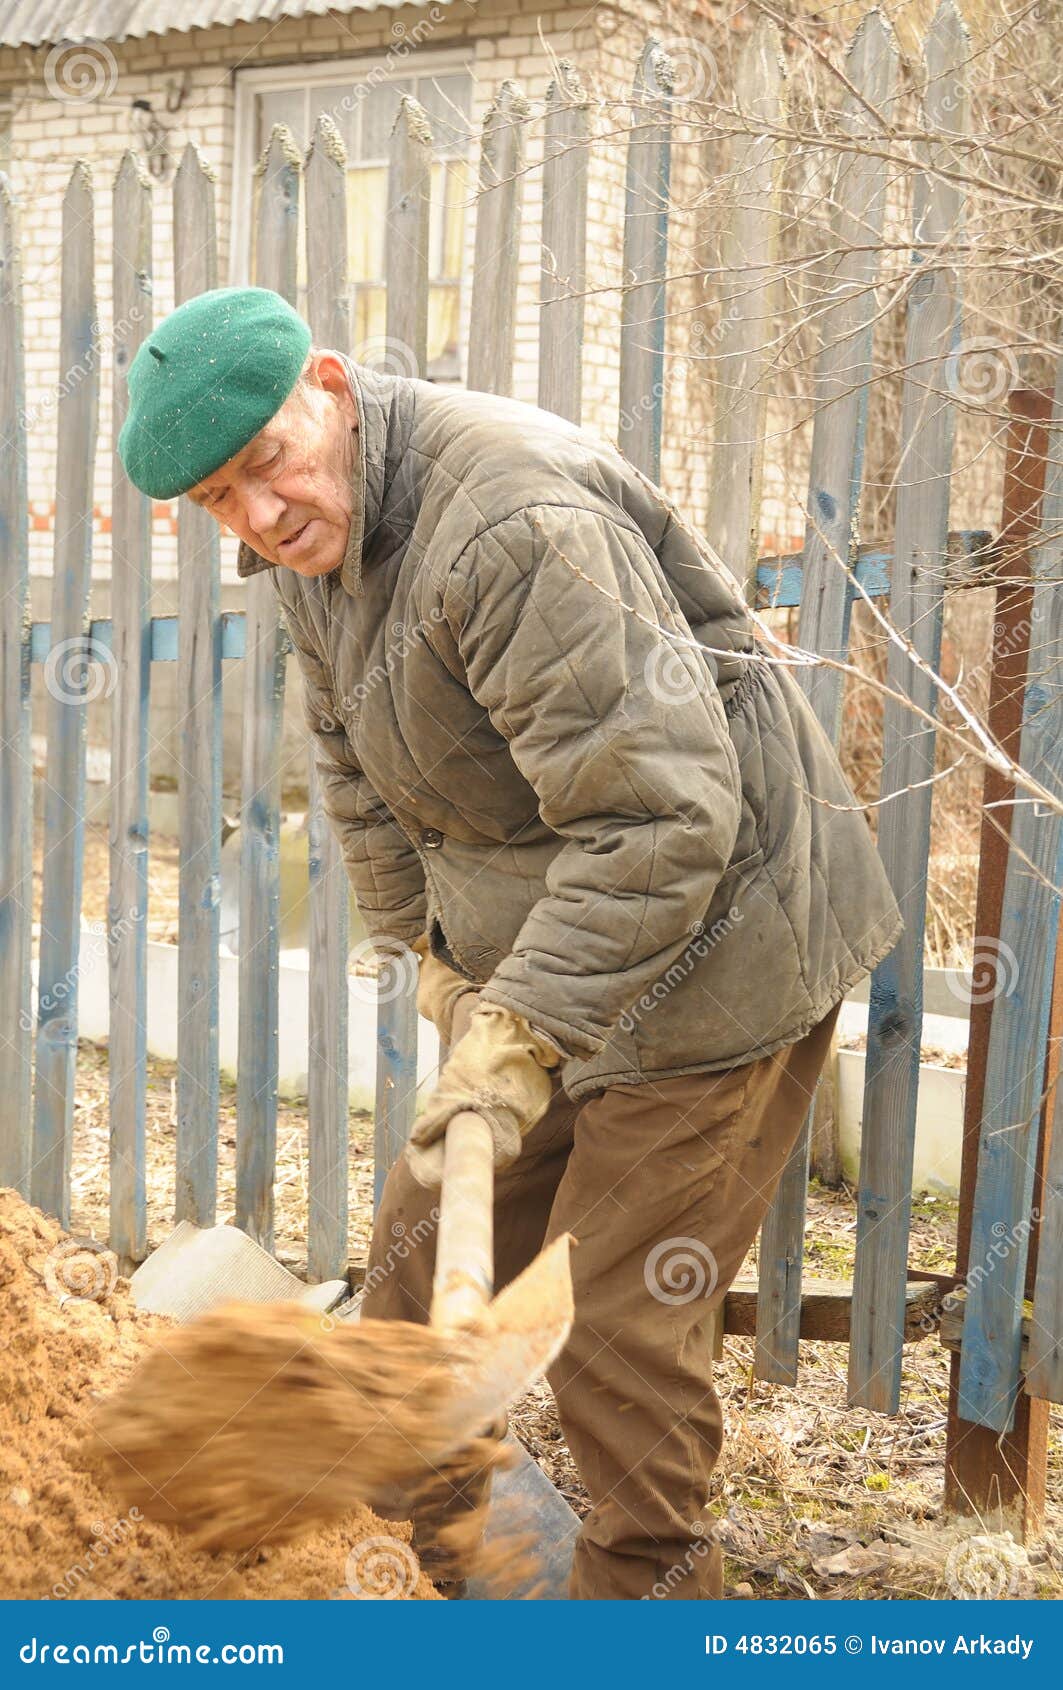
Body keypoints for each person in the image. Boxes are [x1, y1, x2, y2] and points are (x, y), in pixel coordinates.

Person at [118, 285, 902, 1600]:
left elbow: (663, 814)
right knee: (418, 1269)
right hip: (561, 940)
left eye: (264, 462)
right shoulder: (318, 549)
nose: (256, 516)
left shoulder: (510, 522)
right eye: (216, 502)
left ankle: (647, 1601)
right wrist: (433, 955)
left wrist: (521, 1025)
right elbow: (358, 776)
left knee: (615, 1328)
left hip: (724, 942)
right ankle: (414, 1573)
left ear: (328, 382)